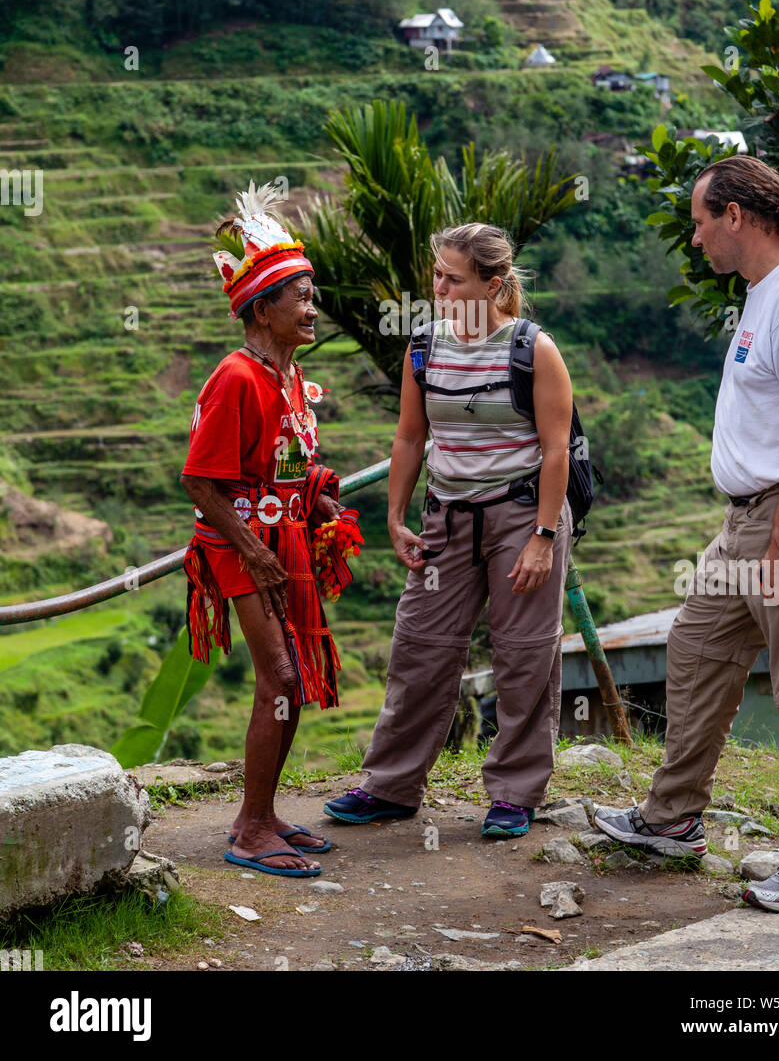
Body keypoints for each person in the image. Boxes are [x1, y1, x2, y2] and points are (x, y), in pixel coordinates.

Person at [594, 155, 779, 912]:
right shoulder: (765, 291)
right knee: (699, 646)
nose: (696, 238)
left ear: (736, 216)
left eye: (699, 221)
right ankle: (674, 816)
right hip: (751, 520)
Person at [324, 222, 575, 838]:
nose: (437, 287)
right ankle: (390, 787)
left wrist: (543, 536)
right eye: (435, 274)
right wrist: (394, 516)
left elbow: (556, 449)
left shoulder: (533, 348)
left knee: (524, 655)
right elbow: (410, 437)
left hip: (521, 514)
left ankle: (515, 794)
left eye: (452, 278)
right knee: (419, 648)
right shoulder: (423, 349)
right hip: (447, 515)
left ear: (492, 284)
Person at [180, 181, 363, 879]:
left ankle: (265, 816)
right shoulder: (237, 378)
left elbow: (289, 465)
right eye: (300, 297)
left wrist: (316, 500)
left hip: (274, 544)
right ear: (262, 308)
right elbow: (201, 479)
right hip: (238, 548)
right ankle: (249, 829)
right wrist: (255, 549)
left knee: (290, 677)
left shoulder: (285, 374)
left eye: (311, 294)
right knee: (280, 676)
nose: (311, 309)